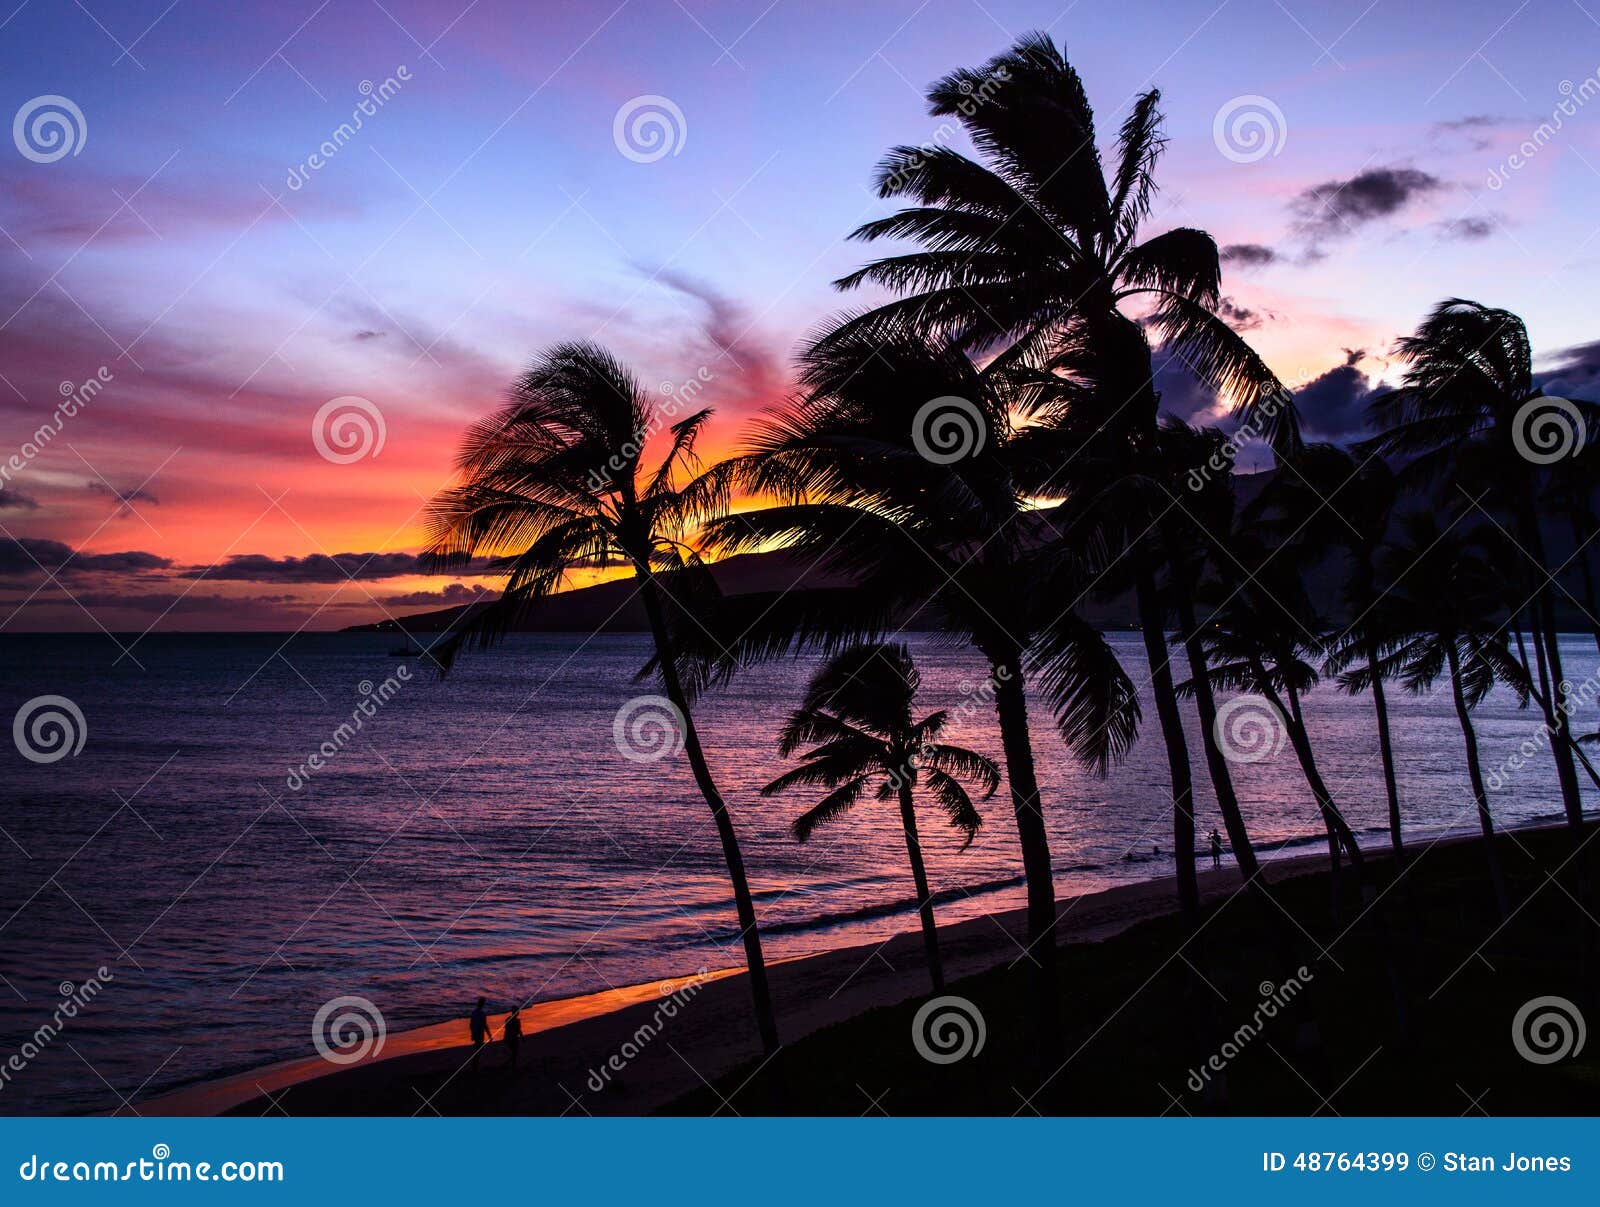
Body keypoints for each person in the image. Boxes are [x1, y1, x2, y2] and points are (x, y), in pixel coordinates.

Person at [469, 997, 490, 1070]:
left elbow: (471, 1024)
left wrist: (472, 1032)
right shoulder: (482, 1013)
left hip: (475, 1032)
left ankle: (474, 1065)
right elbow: (485, 1025)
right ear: (483, 1004)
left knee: (477, 1049)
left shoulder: (473, 1012)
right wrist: (489, 1035)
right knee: (478, 1050)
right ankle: (475, 1066)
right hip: (480, 1033)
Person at [503, 1004, 523, 1070]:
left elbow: (506, 1029)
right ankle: (511, 1066)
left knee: (513, 1053)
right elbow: (519, 1030)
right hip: (514, 1038)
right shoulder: (517, 1021)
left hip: (508, 1038)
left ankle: (510, 1065)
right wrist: (522, 1037)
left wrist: (504, 1038)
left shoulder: (507, 1019)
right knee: (514, 1053)